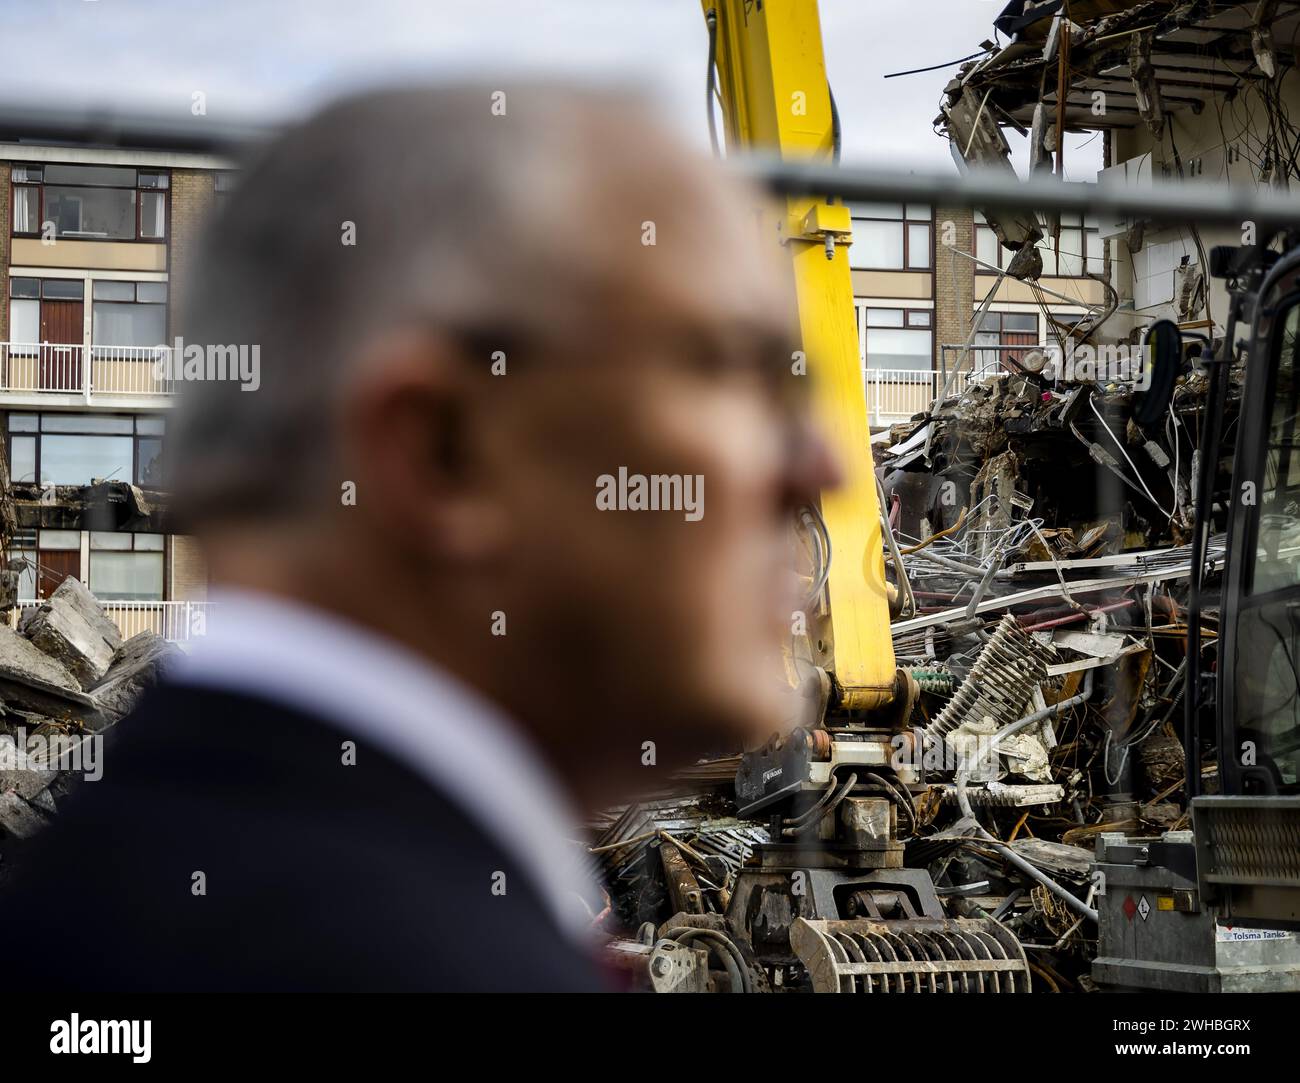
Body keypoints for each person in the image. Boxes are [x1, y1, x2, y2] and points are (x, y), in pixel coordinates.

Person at [0, 83, 837, 991]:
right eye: (726, 369)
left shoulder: (118, 900)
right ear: (442, 451)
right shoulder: (417, 959)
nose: (819, 466)